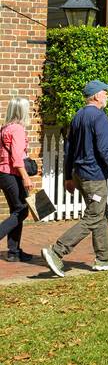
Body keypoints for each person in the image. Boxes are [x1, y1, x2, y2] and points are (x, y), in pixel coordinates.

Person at [41, 81, 108, 276]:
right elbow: (104, 150)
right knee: (93, 217)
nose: (107, 95)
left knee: (101, 214)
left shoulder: (78, 116)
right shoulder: (99, 117)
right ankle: (56, 251)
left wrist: (67, 177)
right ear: (96, 96)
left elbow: (68, 149)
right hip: (94, 176)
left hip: (79, 175)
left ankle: (103, 259)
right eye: (105, 92)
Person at [0, 97, 36, 263]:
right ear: (22, 111)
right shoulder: (18, 130)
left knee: (18, 209)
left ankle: (14, 252)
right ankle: (13, 250)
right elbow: (16, 157)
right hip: (12, 173)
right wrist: (26, 176)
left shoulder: (5, 128)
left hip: (4, 174)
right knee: (21, 211)